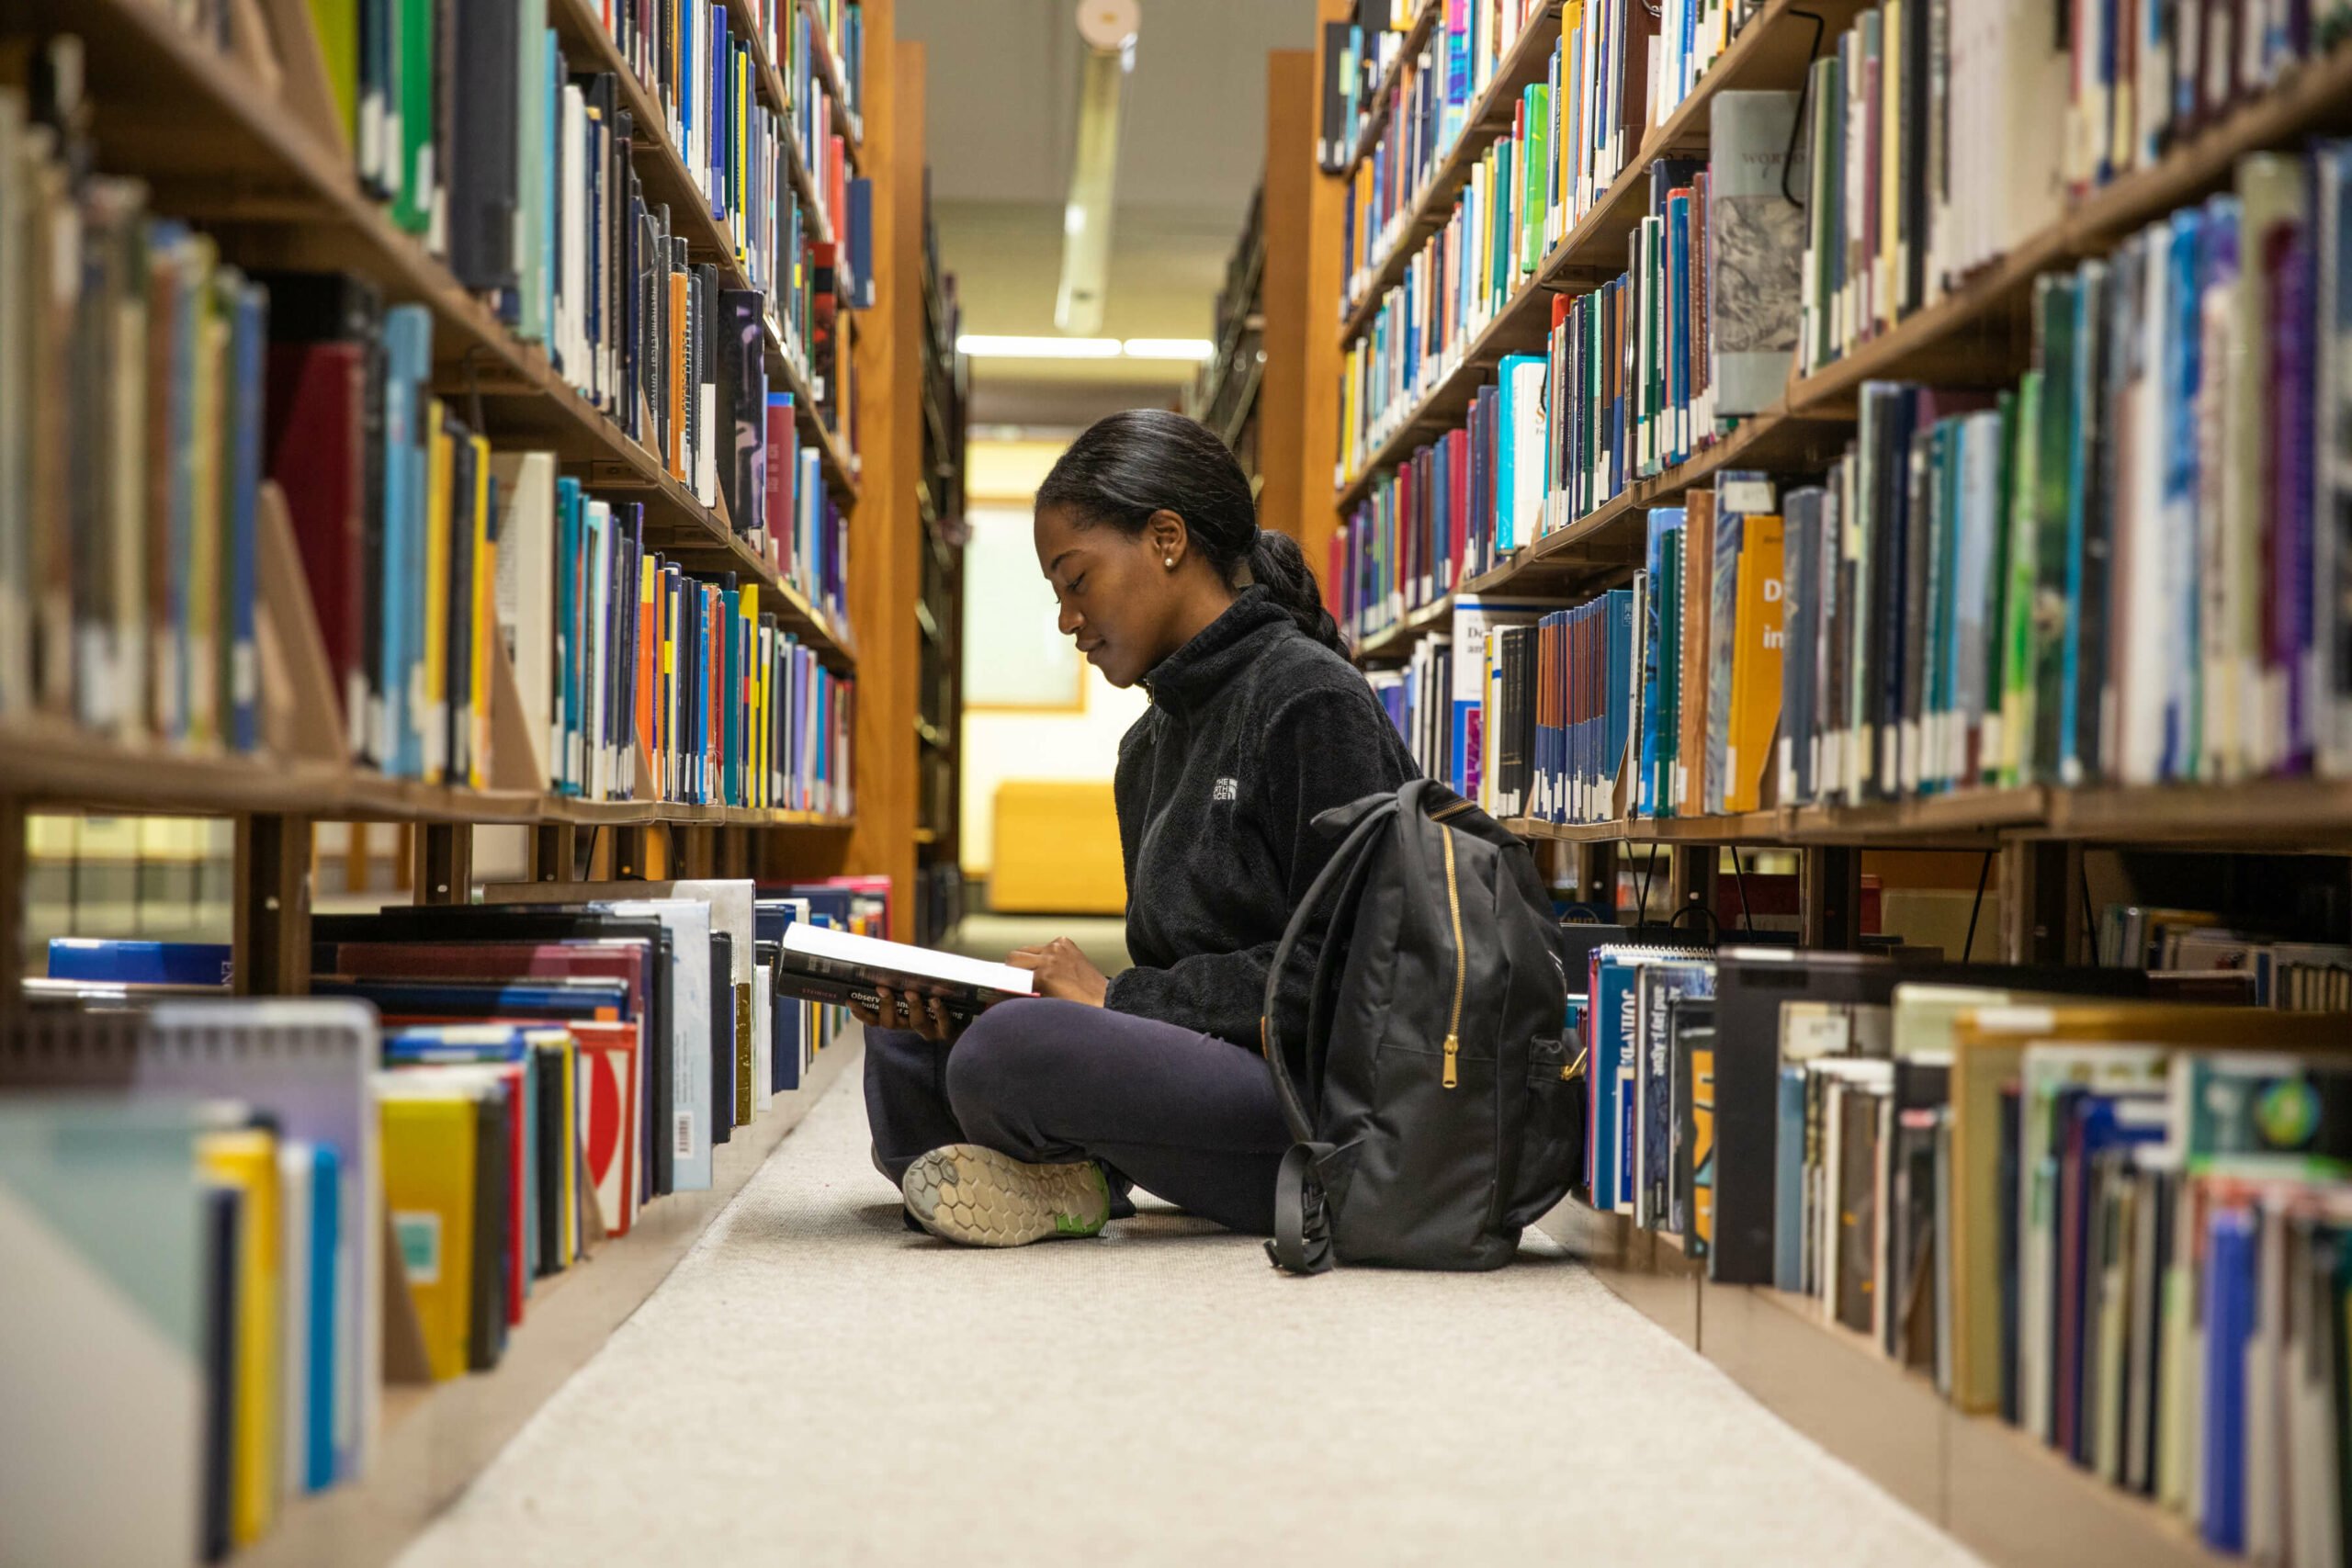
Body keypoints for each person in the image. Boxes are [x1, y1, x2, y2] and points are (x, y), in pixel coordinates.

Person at [857, 408, 1418, 1247]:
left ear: (1165, 538)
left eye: (1076, 580)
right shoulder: (1147, 748)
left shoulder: (1310, 698)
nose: (1066, 619)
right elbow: (1175, 983)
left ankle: (1061, 1176)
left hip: (1324, 1106)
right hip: (1217, 1077)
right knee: (908, 1034)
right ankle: (1054, 1178)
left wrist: (1117, 999)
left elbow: (1347, 979)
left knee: (1009, 1052)